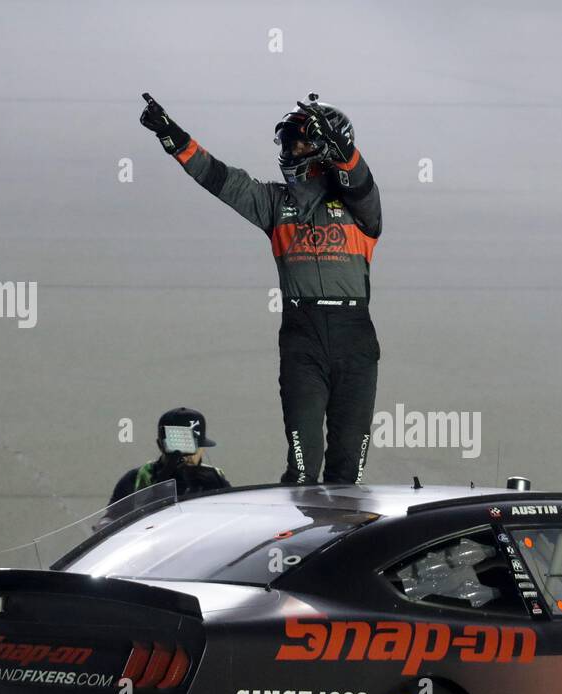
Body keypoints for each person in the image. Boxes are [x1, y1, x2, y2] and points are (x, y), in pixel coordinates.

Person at [139, 91, 382, 485]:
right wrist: (174, 139)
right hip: (302, 338)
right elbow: (220, 178)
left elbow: (359, 182)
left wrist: (346, 152)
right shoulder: (274, 202)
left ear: (326, 146)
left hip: (354, 338)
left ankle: (345, 541)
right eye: (289, 142)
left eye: (302, 141)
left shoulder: (362, 207)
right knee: (302, 470)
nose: (293, 149)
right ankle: (298, 543)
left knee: (347, 470)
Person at [108, 407, 230, 506]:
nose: (190, 456)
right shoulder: (137, 478)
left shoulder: (214, 476)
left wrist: (220, 488)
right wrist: (159, 487)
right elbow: (108, 524)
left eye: (195, 447)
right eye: (182, 448)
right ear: (161, 446)